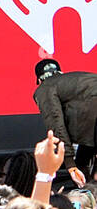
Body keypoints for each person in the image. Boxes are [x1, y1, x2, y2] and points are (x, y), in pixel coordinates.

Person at [33, 58, 97, 186]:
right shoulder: (78, 79)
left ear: (40, 80)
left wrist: (69, 163)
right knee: (83, 157)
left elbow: (55, 122)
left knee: (83, 168)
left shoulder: (45, 88)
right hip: (92, 128)